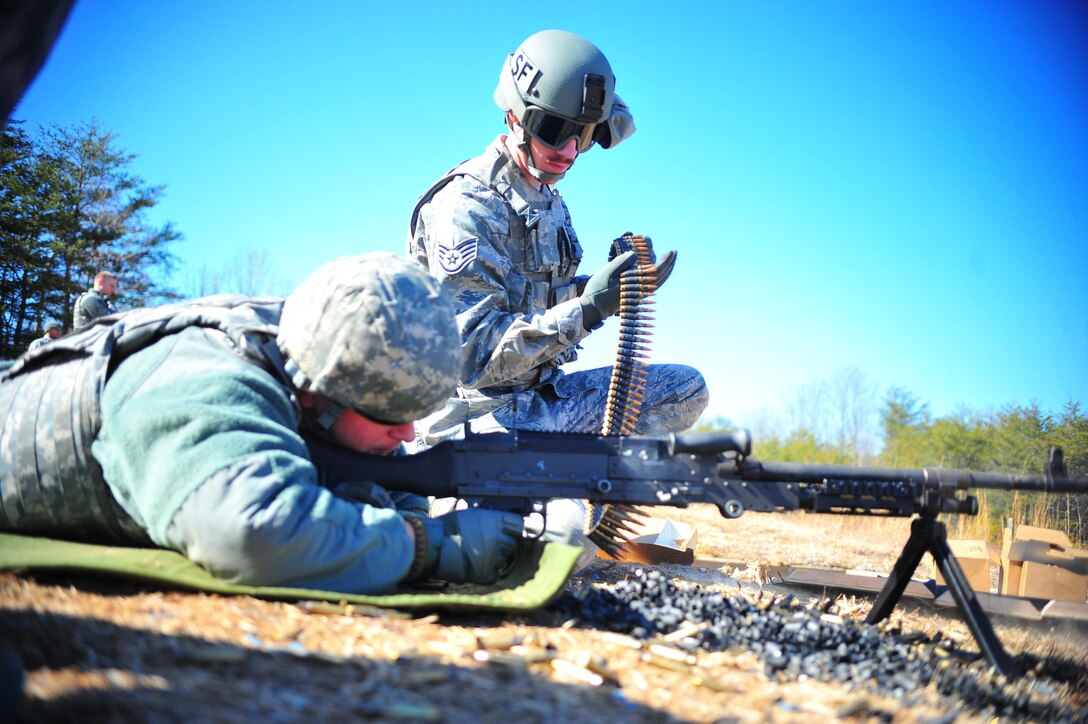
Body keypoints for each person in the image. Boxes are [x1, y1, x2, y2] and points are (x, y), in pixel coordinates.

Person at [0, 253, 523, 594]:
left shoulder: (322, 348)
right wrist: (423, 545)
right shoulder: (210, 381)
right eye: (392, 417)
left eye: (416, 414)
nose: (408, 434)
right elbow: (252, 533)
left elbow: (381, 467)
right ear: (320, 393)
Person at [407, 31, 710, 547]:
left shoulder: (547, 197)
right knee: (563, 532)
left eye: (585, 134)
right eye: (554, 130)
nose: (569, 150)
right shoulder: (466, 207)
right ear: (515, 115)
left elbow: (537, 304)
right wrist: (591, 308)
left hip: (539, 404)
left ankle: (568, 491)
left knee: (686, 388)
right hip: (473, 419)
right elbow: (475, 356)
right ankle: (513, 503)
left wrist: (599, 288)